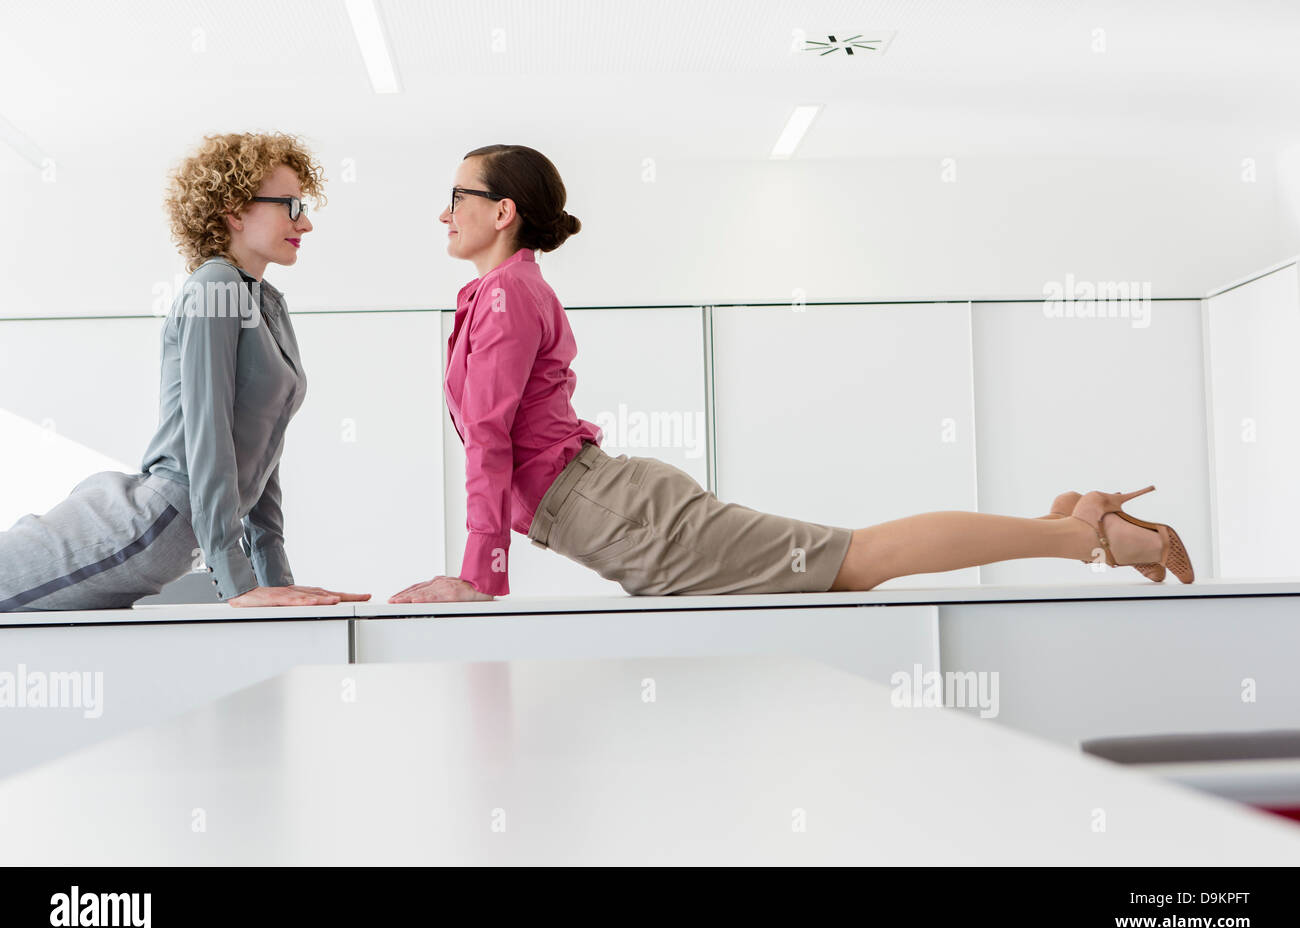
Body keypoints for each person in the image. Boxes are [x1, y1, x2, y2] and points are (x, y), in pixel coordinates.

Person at [388, 144, 1193, 604]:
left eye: (455, 194)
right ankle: (1073, 530)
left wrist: (479, 582)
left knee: (856, 562)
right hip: (608, 509)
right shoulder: (497, 295)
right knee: (847, 565)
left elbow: (491, 444)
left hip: (616, 515)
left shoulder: (505, 297)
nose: (442, 210)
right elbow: (493, 440)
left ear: (503, 211)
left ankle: (1078, 535)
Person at [0, 132, 370, 612]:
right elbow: (208, 432)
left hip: (175, 531)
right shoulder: (215, 285)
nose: (307, 222)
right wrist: (238, 581)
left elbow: (262, 455)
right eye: (291, 204)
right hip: (149, 521)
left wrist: (274, 577)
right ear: (236, 211)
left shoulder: (265, 303)